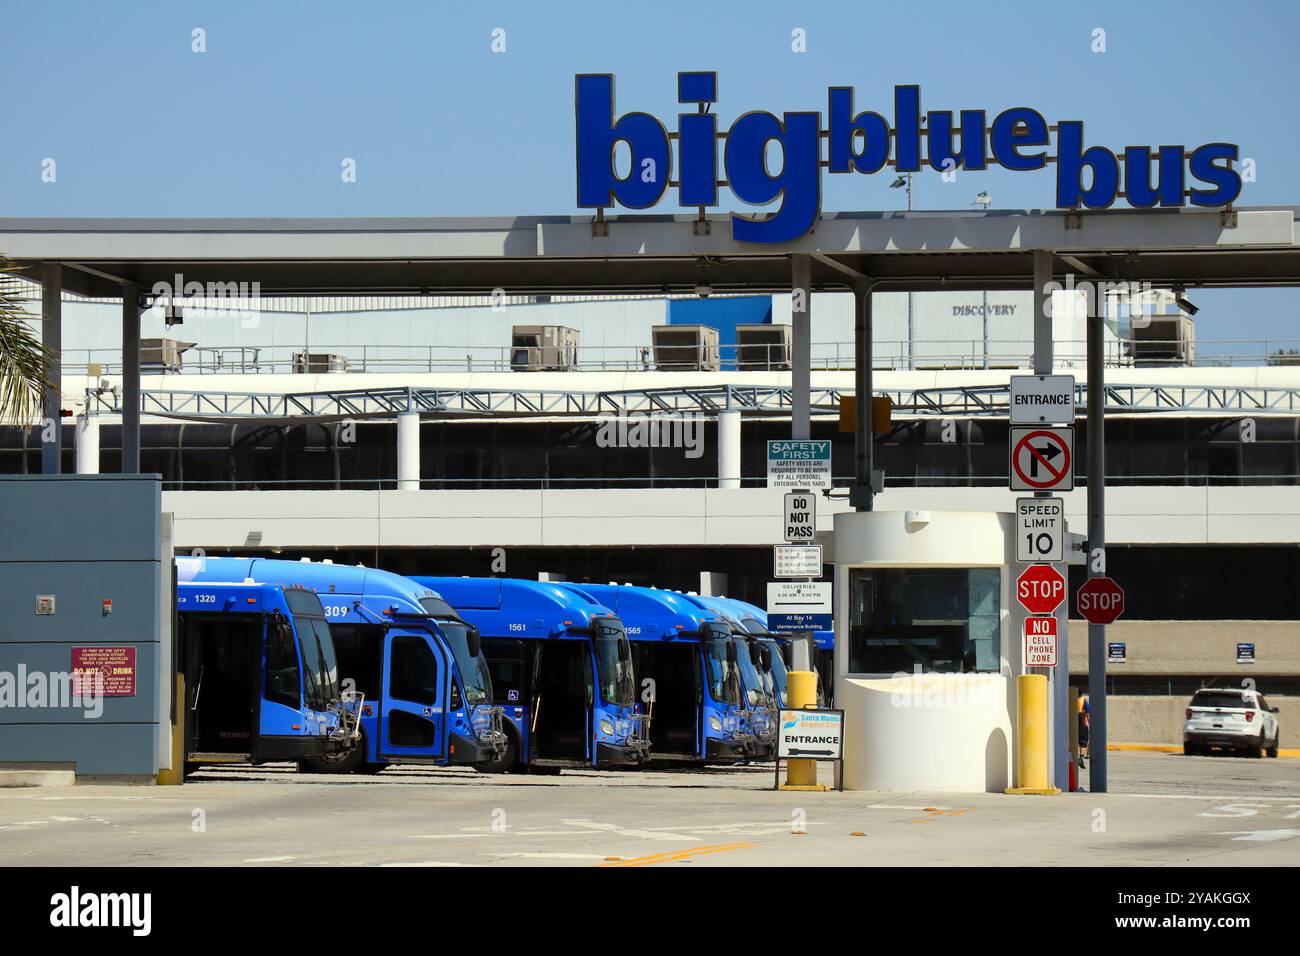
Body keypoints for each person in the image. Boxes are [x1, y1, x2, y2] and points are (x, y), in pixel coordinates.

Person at [1077, 693, 1091, 767]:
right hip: (1082, 720)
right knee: (1083, 740)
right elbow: (1088, 713)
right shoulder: (1083, 700)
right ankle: (1081, 758)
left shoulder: (1069, 698)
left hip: (1073, 720)